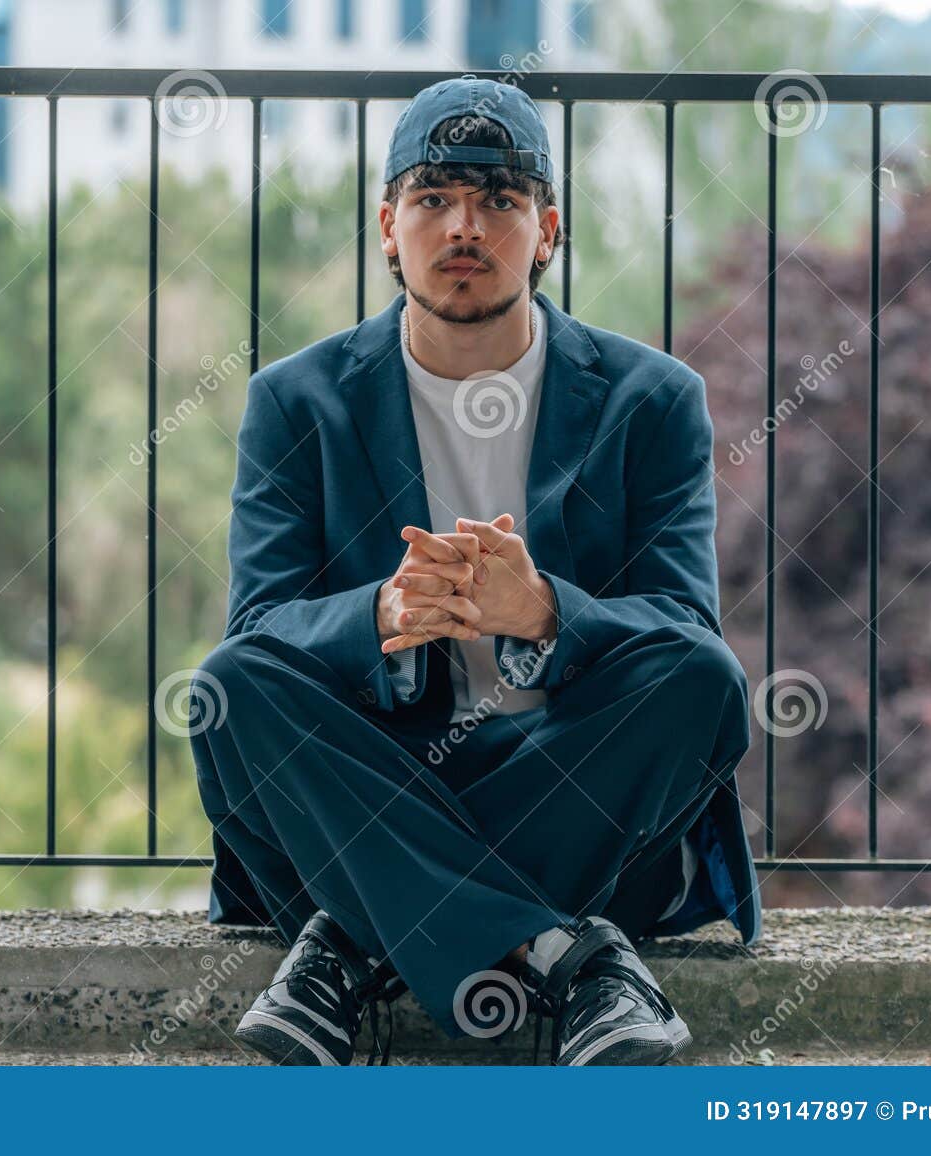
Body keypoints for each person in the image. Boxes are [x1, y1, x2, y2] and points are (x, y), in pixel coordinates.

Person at [189, 76, 757, 1067]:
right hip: (375, 772)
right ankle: (569, 956)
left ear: (547, 231)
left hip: (561, 777)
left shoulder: (652, 399)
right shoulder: (296, 401)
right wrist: (380, 614)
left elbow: (682, 624)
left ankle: (351, 944)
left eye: (499, 199)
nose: (465, 226)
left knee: (701, 677)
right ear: (388, 226)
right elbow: (262, 627)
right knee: (231, 687)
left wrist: (544, 613)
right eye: (433, 198)